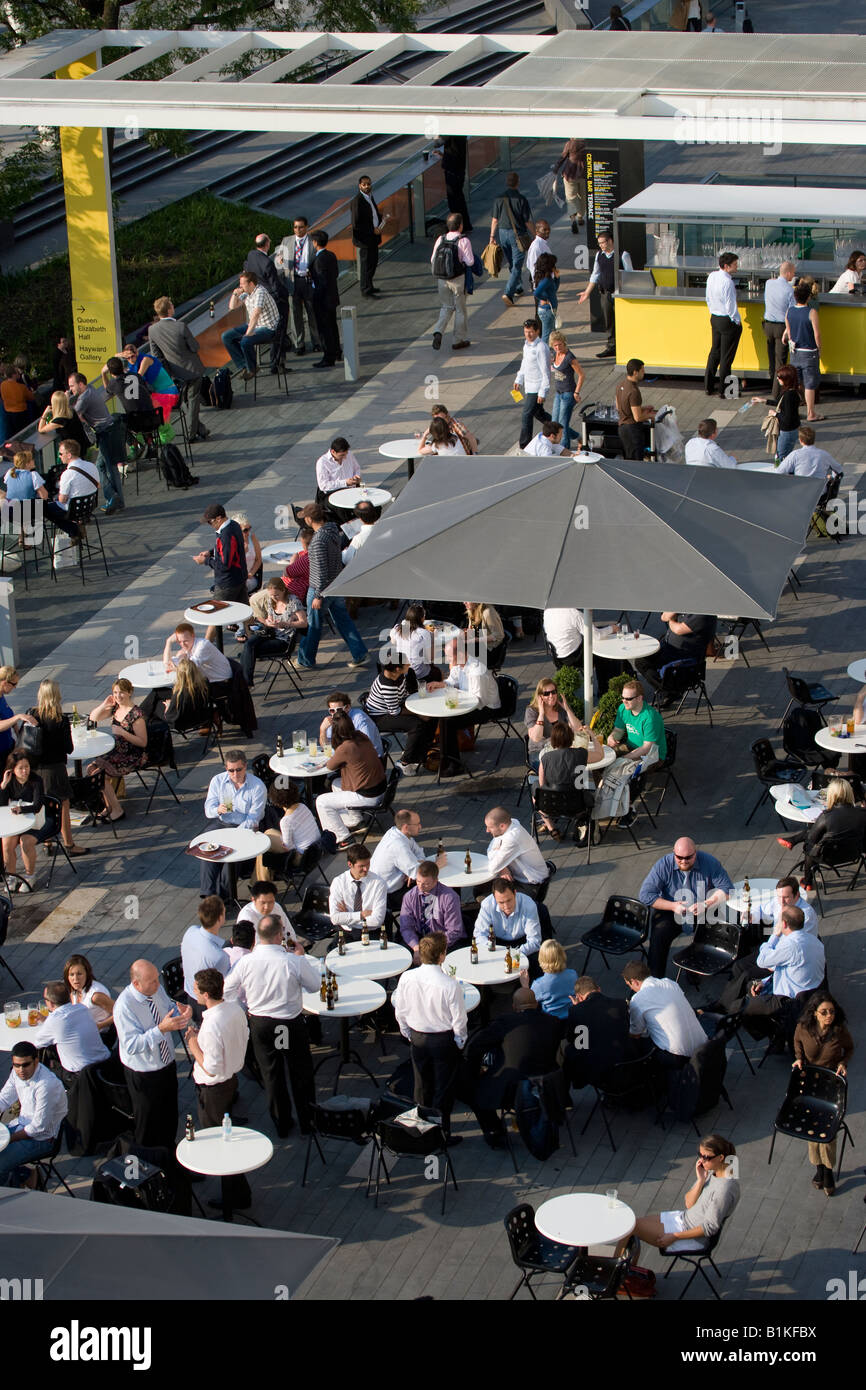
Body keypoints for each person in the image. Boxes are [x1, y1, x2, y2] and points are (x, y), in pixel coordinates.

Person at [223, 915, 320, 1136]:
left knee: (271, 1074)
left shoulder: (246, 962)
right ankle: (308, 1122)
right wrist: (301, 958)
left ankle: (281, 1123)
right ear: (279, 935)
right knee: (300, 1073)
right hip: (288, 1024)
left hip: (261, 1023)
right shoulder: (291, 961)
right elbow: (315, 986)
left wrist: (241, 1007)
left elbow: (227, 989)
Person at [706, 907, 826, 1044]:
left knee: (738, 1006)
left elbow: (762, 961)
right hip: (810, 992)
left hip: (789, 1000)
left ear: (784, 924)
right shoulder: (815, 941)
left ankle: (774, 1034)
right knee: (751, 986)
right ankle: (775, 1032)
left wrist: (774, 936)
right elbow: (785, 968)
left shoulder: (790, 945)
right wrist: (765, 981)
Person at [462, 988, 561, 1147]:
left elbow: (474, 1048)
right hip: (548, 1086)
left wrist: (476, 1071)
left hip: (511, 1091)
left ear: (514, 1006)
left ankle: (495, 1132)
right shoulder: (553, 1022)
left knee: (472, 1092)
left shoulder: (505, 1023)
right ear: (536, 1004)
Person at [392, 931, 468, 1140]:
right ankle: (442, 1133)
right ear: (442, 955)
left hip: (418, 1038)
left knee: (421, 1085)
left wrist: (407, 1032)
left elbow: (401, 1009)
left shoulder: (407, 977)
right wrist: (460, 1041)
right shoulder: (449, 985)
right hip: (442, 1040)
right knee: (443, 1089)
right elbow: (459, 1019)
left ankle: (423, 1129)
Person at [185, 968, 250, 1209]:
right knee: (225, 1137)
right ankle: (239, 1192)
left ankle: (234, 1195)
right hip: (230, 1081)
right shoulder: (234, 1009)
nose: (193, 993)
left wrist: (193, 1042)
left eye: (195, 990)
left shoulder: (212, 1024)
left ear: (205, 994)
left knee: (219, 1143)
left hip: (214, 1089)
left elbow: (211, 1067)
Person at [114, 959, 191, 1151]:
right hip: (144, 1074)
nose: (158, 985)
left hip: (166, 1064)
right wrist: (161, 1030)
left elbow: (166, 1007)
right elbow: (131, 1045)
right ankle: (149, 1167)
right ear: (137, 984)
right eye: (152, 982)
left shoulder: (156, 990)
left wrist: (179, 1010)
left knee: (170, 1115)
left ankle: (170, 1158)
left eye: (157, 979)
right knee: (148, 1123)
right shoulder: (125, 1006)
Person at [628, 1134, 740, 1256]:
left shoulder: (724, 1190)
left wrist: (675, 1236)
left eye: (706, 1157)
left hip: (689, 1236)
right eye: (700, 1155)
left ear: (720, 1157)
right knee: (630, 1224)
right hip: (682, 1219)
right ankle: (625, 1268)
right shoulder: (713, 1172)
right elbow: (689, 1203)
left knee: (631, 1228)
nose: (701, 1160)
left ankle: (618, 1271)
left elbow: (709, 1227)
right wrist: (701, 1180)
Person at [639, 836, 733, 977]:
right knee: (658, 937)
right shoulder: (663, 865)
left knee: (713, 933)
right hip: (672, 910)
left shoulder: (709, 862)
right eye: (679, 857)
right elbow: (645, 895)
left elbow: (727, 889)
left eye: (688, 857)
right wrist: (672, 906)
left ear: (696, 853)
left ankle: (696, 968)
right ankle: (655, 980)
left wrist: (706, 904)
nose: (684, 861)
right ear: (673, 853)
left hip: (702, 909)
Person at [793, 991, 854, 1196]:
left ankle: (828, 1171)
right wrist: (799, 1058)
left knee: (828, 1130)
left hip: (831, 1084)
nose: (829, 1015)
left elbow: (850, 1048)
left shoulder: (839, 1031)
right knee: (812, 1128)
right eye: (824, 1012)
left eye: (832, 1011)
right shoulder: (803, 1028)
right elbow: (797, 1042)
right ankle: (818, 1167)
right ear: (815, 1013)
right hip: (811, 1083)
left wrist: (843, 1062)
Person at [296, 504, 368, 670]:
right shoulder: (332, 530)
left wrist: (318, 596)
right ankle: (359, 653)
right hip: (336, 585)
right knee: (343, 621)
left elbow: (321, 571)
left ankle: (306, 658)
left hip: (320, 589)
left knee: (314, 626)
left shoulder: (317, 542)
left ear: (308, 519)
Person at [776, 777, 866, 889]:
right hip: (854, 854)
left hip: (827, 857)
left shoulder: (826, 816)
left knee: (810, 849)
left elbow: (811, 839)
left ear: (831, 795)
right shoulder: (863, 813)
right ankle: (793, 840)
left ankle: (808, 882)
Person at [0, 1042, 68, 1188]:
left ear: (36, 1061)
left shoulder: (46, 1085)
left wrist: (8, 1140)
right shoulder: (17, 1073)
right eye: (17, 1065)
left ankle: (8, 1195)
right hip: (21, 1126)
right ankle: (25, 1176)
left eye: (25, 1065)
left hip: (42, 1139)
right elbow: (4, 1099)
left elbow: (38, 1127)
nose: (20, 1070)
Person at [200, 750, 266, 900]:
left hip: (246, 828)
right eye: (231, 770)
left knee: (232, 856)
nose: (235, 774)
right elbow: (208, 810)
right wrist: (217, 809)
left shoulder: (257, 786)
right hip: (222, 823)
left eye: (238, 770)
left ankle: (224, 897)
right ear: (226, 769)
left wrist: (234, 835)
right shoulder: (218, 781)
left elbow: (253, 819)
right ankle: (208, 896)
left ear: (245, 767)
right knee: (207, 852)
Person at [315, 711, 386, 847]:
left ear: (335, 731)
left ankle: (343, 838)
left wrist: (322, 730)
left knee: (322, 802)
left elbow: (330, 766)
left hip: (368, 796)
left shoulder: (346, 747)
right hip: (380, 789)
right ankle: (356, 820)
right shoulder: (361, 736)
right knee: (336, 783)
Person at [148, 296, 210, 441]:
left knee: (184, 402)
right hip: (192, 369)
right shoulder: (181, 326)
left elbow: (156, 355)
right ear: (170, 310)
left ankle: (201, 430)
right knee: (192, 401)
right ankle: (191, 433)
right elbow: (194, 347)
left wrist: (168, 372)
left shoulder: (152, 330)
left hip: (174, 372)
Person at [86, 678, 147, 823]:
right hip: (116, 751)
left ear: (130, 692)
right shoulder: (115, 707)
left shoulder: (136, 714)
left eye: (122, 693)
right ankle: (109, 806)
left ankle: (117, 809)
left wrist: (123, 732)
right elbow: (93, 718)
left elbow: (143, 742)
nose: (118, 696)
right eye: (115, 692)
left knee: (98, 774)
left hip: (132, 755)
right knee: (91, 768)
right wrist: (104, 704)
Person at [622, 959, 707, 1063]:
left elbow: (636, 1034)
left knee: (637, 1046)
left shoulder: (638, 999)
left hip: (679, 1056)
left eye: (629, 985)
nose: (631, 988)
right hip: (703, 1044)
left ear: (634, 982)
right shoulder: (670, 983)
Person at [364, 660, 437, 777]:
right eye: (407, 664)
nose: (410, 664)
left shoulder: (400, 675)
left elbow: (403, 695)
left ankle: (420, 752)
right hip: (379, 717)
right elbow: (395, 711)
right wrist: (418, 714)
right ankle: (405, 761)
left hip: (393, 707)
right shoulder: (387, 686)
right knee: (417, 725)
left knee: (430, 717)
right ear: (397, 669)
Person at [68, 371, 126, 514]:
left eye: (72, 386)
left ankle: (113, 497)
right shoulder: (91, 389)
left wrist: (65, 400)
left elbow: (71, 414)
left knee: (104, 467)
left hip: (105, 433)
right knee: (108, 466)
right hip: (110, 430)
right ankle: (117, 500)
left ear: (81, 384)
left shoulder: (84, 398)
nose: (71, 389)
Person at [562, 977, 632, 1089]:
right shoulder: (620, 1004)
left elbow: (575, 1040)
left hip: (599, 1068)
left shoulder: (576, 1011)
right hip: (626, 1061)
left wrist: (578, 1010)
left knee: (570, 1050)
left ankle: (575, 1086)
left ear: (579, 997)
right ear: (599, 989)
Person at [534, 722, 602, 837]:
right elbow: (600, 755)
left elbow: (542, 786)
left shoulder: (545, 758)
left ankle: (551, 827)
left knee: (535, 788)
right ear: (571, 738)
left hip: (551, 805)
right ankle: (582, 822)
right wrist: (592, 735)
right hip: (578, 805)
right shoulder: (581, 754)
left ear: (553, 740)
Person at [635, 613, 716, 704]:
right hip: (668, 651)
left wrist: (671, 620)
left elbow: (678, 629)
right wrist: (674, 612)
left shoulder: (704, 615)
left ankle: (671, 691)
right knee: (640, 661)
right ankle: (667, 692)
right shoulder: (686, 606)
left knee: (649, 670)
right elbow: (663, 617)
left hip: (684, 661)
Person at [238, 578, 305, 688]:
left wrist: (286, 624)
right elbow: (269, 618)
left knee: (249, 650)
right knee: (249, 645)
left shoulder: (293, 602)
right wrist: (269, 622)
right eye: (272, 595)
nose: (274, 598)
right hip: (270, 632)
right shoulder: (271, 600)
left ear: (283, 590)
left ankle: (245, 682)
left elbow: (304, 623)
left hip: (284, 640)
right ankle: (245, 682)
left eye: (276, 595)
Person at [1, 449, 82, 541]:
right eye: (31, 459)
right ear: (27, 463)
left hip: (9, 512)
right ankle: (73, 530)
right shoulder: (33, 475)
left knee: (26, 507)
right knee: (48, 510)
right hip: (27, 511)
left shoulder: (10, 473)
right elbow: (44, 496)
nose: (34, 461)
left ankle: (23, 538)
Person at [33, 979, 110, 1075]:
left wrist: (47, 1022)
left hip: (80, 1075)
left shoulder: (54, 1020)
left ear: (51, 1003)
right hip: (105, 1064)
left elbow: (37, 1043)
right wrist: (46, 1020)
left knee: (44, 1054)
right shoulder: (82, 1008)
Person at [369, 808, 441, 908]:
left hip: (392, 886)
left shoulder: (396, 832)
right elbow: (420, 873)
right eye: (417, 824)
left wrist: (410, 869)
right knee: (437, 890)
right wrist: (438, 864)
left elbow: (419, 852)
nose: (420, 827)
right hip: (387, 896)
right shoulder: (398, 845)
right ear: (406, 827)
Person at [474, 878, 543, 974]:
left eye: (509, 900)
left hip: (521, 944)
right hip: (496, 944)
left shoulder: (528, 905)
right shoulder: (487, 905)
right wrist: (493, 952)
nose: (506, 906)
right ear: (494, 898)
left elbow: (534, 941)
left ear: (515, 893)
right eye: (501, 903)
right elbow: (479, 935)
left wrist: (514, 954)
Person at [399, 860, 464, 960]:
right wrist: (416, 948)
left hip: (443, 941)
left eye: (426, 884)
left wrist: (431, 949)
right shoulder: (409, 896)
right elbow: (406, 927)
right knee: (403, 957)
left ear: (436, 880)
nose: (420, 886)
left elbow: (454, 931)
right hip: (419, 939)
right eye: (418, 881)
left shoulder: (450, 897)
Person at [244, 231, 291, 368]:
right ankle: (276, 363)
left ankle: (275, 360)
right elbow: (275, 285)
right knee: (278, 331)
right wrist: (283, 295)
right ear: (267, 244)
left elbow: (246, 266)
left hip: (258, 299)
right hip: (273, 301)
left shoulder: (251, 255)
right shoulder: (267, 263)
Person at [221, 271, 280, 380]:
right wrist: (235, 294)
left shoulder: (260, 292)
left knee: (245, 341)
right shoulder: (247, 293)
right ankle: (244, 366)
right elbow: (232, 307)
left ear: (251, 284)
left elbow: (256, 314)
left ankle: (252, 369)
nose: (240, 286)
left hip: (268, 328)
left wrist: (248, 333)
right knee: (226, 336)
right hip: (256, 325)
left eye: (243, 284)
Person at [255, 784, 321, 879]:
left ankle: (262, 885)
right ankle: (256, 882)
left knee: (263, 845)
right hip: (314, 851)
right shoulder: (303, 807)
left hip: (300, 858)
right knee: (269, 832)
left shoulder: (286, 820)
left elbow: (288, 846)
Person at [489, 171, 535, 307]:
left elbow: (494, 220)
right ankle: (508, 293)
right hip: (517, 235)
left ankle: (518, 287)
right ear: (518, 182)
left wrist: (492, 236)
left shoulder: (498, 199)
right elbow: (527, 222)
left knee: (511, 262)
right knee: (517, 265)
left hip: (502, 234)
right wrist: (535, 235)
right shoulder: (521, 199)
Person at [430, 212, 474, 352]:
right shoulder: (463, 241)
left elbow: (433, 259)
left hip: (442, 279)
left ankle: (438, 331)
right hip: (457, 279)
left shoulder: (440, 239)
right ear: (460, 226)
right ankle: (458, 340)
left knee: (446, 307)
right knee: (460, 309)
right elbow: (470, 261)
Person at [0, 752, 43, 892]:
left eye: (27, 767)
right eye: (20, 768)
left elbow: (37, 806)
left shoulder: (36, 780)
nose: (25, 771)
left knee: (26, 842)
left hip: (34, 822)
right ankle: (12, 876)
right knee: (6, 844)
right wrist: (4, 785)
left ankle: (30, 875)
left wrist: (21, 809)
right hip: (16, 821)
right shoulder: (11, 781)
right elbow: (2, 805)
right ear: (13, 770)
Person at [194, 503, 248, 609]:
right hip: (240, 577)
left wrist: (206, 560)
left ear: (218, 518)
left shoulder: (226, 535)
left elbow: (224, 565)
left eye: (210, 522)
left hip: (227, 583)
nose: (210, 525)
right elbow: (227, 550)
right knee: (244, 611)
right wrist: (211, 552)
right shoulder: (234, 525)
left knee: (216, 614)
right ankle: (248, 626)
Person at [704, 252, 742, 398]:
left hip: (715, 317)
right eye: (734, 264)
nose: (737, 266)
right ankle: (724, 390)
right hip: (727, 320)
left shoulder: (712, 276)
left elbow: (708, 297)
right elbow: (730, 305)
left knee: (715, 352)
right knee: (726, 357)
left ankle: (708, 386)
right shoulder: (728, 282)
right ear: (726, 266)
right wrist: (736, 321)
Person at [181, 895, 230, 1009]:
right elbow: (223, 986)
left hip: (190, 994)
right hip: (207, 1003)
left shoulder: (190, 931)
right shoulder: (219, 957)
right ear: (219, 918)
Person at [140, 656, 211, 733]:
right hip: (199, 716)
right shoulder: (205, 683)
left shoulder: (180, 694)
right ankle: (141, 716)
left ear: (180, 675)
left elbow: (169, 716)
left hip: (181, 722)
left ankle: (139, 719)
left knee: (154, 704)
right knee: (157, 692)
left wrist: (168, 705)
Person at [785, 281, 823, 422]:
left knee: (797, 383)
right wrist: (819, 348)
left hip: (795, 351)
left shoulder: (789, 311)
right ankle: (811, 413)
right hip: (809, 351)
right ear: (808, 297)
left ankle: (794, 410)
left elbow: (789, 332)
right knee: (810, 385)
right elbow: (816, 334)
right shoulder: (811, 312)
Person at [577, 232, 619, 359]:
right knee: (609, 320)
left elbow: (628, 273)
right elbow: (595, 274)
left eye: (603, 242)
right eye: (599, 243)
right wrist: (587, 292)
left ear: (610, 241)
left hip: (618, 293)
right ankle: (611, 346)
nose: (601, 246)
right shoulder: (599, 255)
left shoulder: (622, 254)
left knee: (621, 319)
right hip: (605, 293)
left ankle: (623, 345)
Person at [328, 843, 387, 933]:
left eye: (368, 864)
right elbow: (335, 918)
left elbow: (377, 920)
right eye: (361, 866)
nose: (366, 869)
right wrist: (361, 915)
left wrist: (347, 916)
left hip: (370, 932)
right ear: (350, 864)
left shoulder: (379, 883)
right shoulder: (338, 882)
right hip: (347, 932)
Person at [525, 675, 583, 765]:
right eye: (546, 693)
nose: (551, 696)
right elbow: (536, 738)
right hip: (539, 753)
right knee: (564, 765)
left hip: (561, 750)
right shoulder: (532, 711)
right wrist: (541, 714)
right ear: (540, 696)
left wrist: (567, 710)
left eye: (553, 692)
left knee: (579, 760)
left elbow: (578, 728)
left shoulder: (561, 708)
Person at [351, 174, 393, 297]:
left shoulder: (369, 197)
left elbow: (373, 214)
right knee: (366, 265)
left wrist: (381, 219)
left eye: (369, 184)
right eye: (364, 184)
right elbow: (356, 223)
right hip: (365, 239)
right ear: (359, 186)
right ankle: (365, 289)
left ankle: (370, 285)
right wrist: (372, 230)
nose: (367, 186)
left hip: (373, 238)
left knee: (373, 263)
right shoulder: (357, 201)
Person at [514, 317, 552, 449]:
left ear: (537, 331)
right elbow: (524, 363)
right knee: (540, 415)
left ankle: (525, 445)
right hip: (529, 386)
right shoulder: (526, 345)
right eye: (525, 331)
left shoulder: (541, 348)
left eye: (530, 332)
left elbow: (545, 371)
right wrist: (519, 379)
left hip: (536, 388)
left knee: (526, 415)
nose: (528, 334)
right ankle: (558, 428)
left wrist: (542, 392)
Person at [119, 342, 178, 424]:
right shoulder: (132, 364)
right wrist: (120, 356)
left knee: (152, 417)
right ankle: (148, 434)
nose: (131, 360)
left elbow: (137, 377)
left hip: (169, 393)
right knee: (141, 412)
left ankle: (163, 434)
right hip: (157, 394)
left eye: (132, 356)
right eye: (128, 358)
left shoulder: (145, 360)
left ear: (137, 352)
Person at [762, 261, 797, 397]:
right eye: (793, 272)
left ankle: (773, 384)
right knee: (780, 362)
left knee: (771, 359)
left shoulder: (768, 283)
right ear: (788, 273)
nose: (794, 275)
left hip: (768, 326)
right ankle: (776, 394)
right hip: (781, 327)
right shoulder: (789, 290)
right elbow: (791, 311)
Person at [162, 621, 232, 686]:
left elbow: (189, 670)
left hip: (221, 682)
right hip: (208, 679)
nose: (183, 645)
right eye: (180, 642)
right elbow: (167, 663)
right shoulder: (188, 647)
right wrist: (168, 642)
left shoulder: (203, 646)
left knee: (181, 687)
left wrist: (176, 668)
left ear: (193, 635)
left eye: (185, 641)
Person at [309, 229, 341, 369]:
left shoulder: (319, 260)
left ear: (315, 243)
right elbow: (335, 274)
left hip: (323, 301)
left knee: (324, 329)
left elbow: (321, 282)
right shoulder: (331, 255)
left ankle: (329, 356)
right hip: (332, 297)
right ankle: (337, 351)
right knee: (333, 327)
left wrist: (316, 296)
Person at [318, 690, 383, 757]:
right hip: (347, 756)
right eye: (332, 711)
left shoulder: (360, 719)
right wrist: (322, 730)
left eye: (339, 710)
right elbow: (325, 748)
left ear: (347, 707)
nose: (335, 713)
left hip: (368, 758)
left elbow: (366, 745)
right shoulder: (331, 720)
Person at [758, 362, 801, 461]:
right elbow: (780, 403)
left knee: (781, 455)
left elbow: (787, 418)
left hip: (787, 431)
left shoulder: (788, 396)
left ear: (786, 380)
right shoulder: (793, 392)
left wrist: (775, 414)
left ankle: (782, 473)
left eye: (779, 377)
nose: (777, 379)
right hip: (792, 429)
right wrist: (764, 400)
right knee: (785, 454)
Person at [549, 331, 584, 448]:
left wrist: (576, 392)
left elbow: (581, 375)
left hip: (568, 393)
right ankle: (578, 437)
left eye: (560, 345)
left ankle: (564, 450)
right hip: (558, 393)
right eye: (555, 345)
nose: (558, 347)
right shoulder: (555, 354)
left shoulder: (569, 357)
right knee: (554, 423)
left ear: (564, 343)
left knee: (562, 425)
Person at [615, 358, 656, 459]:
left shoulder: (620, 385)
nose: (644, 372)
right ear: (635, 372)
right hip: (632, 431)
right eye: (642, 370)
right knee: (635, 462)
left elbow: (619, 406)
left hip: (622, 429)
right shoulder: (633, 391)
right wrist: (651, 416)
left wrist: (642, 408)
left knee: (628, 459)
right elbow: (637, 418)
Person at [63, 954, 114, 1033]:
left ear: (87, 974)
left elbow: (121, 1012)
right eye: (71, 974)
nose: (75, 979)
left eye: (79, 974)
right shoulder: (74, 990)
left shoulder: (96, 996)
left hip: (100, 1035)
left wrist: (100, 1026)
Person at [236, 881, 298, 945]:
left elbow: (288, 931)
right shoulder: (247, 917)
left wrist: (292, 947)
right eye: (263, 903)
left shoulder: (276, 907)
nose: (267, 907)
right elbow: (255, 945)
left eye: (271, 902)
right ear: (253, 900)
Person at [530, 939, 577, 1020]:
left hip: (551, 1020)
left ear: (541, 958)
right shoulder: (573, 974)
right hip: (571, 1016)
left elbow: (530, 1000)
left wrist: (524, 984)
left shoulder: (539, 984)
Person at [37, 389, 90, 458]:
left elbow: (41, 429)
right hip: (81, 446)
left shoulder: (59, 421)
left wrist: (44, 414)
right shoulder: (71, 412)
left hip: (72, 452)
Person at [388, 605, 436, 682]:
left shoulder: (397, 629)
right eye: (424, 615)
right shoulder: (424, 633)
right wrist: (432, 637)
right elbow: (430, 659)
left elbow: (393, 641)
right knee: (437, 671)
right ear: (422, 618)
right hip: (419, 674)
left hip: (401, 672)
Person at [775, 425, 840, 479]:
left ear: (800, 440)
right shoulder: (824, 455)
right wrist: (832, 477)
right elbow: (839, 470)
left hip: (800, 490)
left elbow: (779, 472)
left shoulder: (795, 455)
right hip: (819, 491)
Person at [0, 666, 35, 765]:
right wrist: (17, 717)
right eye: (14, 684)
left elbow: (8, 715)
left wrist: (19, 737)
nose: (15, 687)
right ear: (5, 683)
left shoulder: (1, 695)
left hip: (8, 746)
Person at [54, 439, 99, 517]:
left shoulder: (67, 474)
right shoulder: (92, 465)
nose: (59, 456)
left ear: (69, 455)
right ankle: (75, 527)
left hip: (73, 511)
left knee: (39, 507)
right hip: (89, 506)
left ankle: (32, 529)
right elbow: (98, 485)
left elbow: (62, 500)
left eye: (60, 454)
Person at [553, 140, 585, 234]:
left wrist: (555, 169)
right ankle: (580, 216)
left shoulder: (570, 144)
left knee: (571, 198)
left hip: (569, 174)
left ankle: (573, 219)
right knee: (583, 197)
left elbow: (562, 157)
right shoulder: (587, 143)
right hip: (584, 174)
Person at [232, 512, 262, 595]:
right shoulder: (231, 542)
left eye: (249, 528)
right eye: (245, 530)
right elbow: (230, 565)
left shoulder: (252, 538)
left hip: (249, 578)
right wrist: (242, 553)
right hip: (234, 579)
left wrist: (251, 573)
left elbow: (258, 560)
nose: (248, 532)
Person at [282, 526, 312, 603]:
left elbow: (286, 573)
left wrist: (292, 562)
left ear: (305, 545)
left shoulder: (306, 559)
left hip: (292, 591)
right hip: (297, 588)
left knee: (265, 589)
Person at [525, 218, 551, 283]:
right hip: (541, 281)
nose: (547, 231)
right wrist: (537, 284)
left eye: (548, 229)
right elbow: (533, 266)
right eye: (544, 230)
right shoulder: (536, 246)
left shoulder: (542, 243)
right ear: (537, 231)